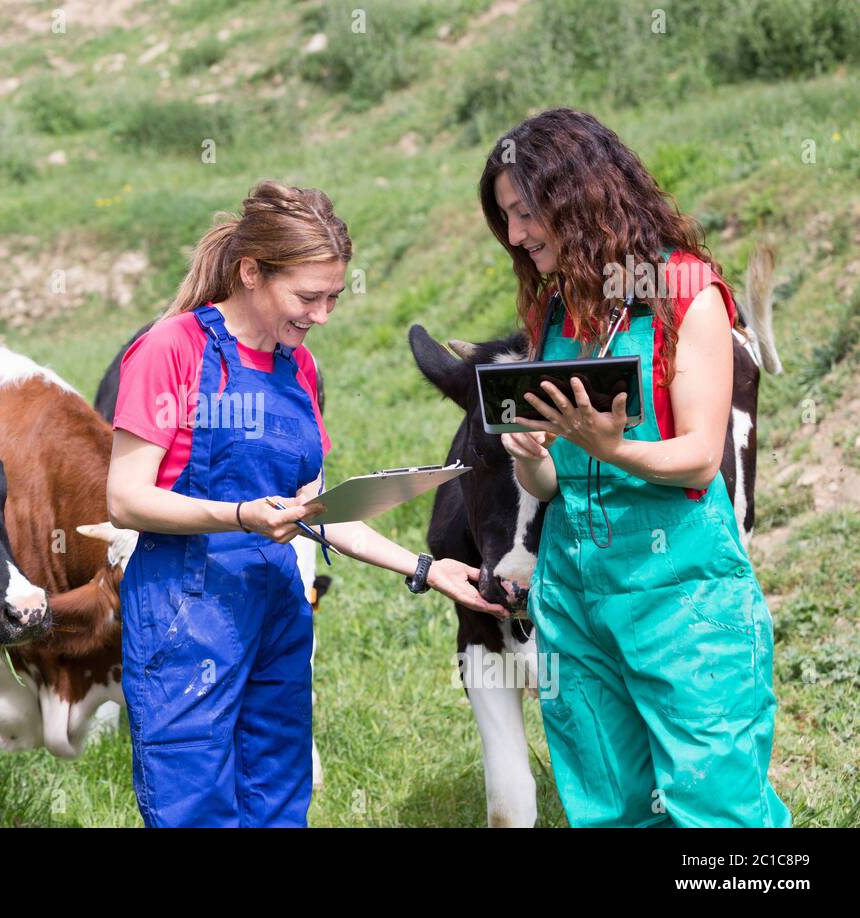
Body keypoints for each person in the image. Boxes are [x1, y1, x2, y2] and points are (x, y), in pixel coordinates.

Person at [106, 180, 505, 827]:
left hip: (275, 611)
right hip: (183, 617)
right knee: (195, 808)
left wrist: (428, 570)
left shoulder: (301, 369)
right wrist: (238, 515)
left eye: (334, 298)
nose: (321, 315)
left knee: (280, 801)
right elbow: (124, 499)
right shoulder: (172, 350)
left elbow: (316, 510)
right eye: (307, 296)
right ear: (250, 272)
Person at [485, 109, 791, 827]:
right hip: (575, 593)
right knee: (609, 805)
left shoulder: (686, 290)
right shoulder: (556, 308)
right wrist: (531, 461)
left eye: (527, 214)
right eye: (506, 219)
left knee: (715, 802)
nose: (518, 236)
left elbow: (697, 455)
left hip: (680, 591)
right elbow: (556, 484)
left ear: (579, 196)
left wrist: (609, 445)